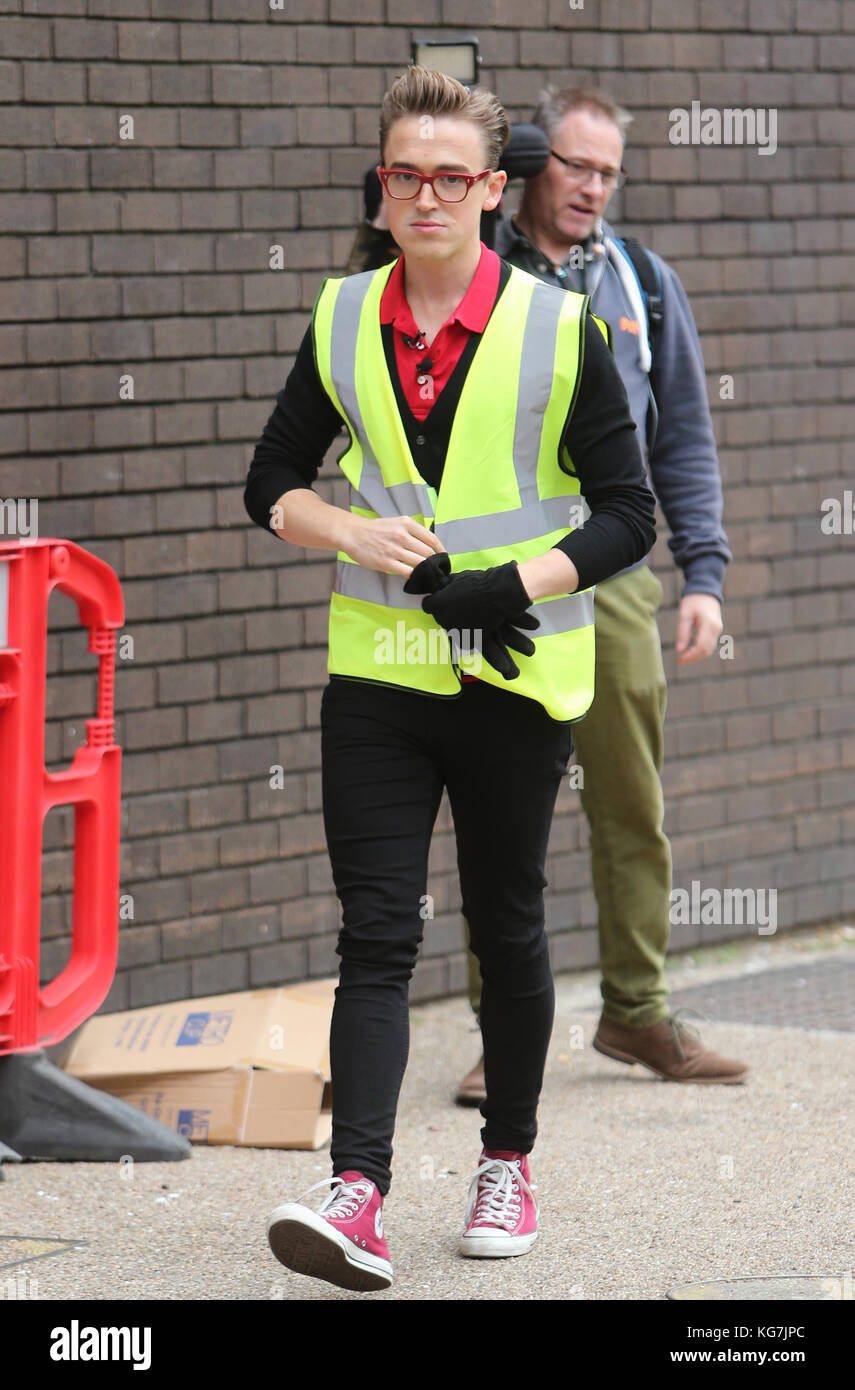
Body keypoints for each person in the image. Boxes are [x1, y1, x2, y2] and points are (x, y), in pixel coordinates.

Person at [244, 66, 656, 1293]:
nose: (424, 196)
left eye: (448, 177)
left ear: (488, 189)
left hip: (513, 676)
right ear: (384, 187)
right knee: (376, 934)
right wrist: (351, 532)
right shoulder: (339, 316)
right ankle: (357, 1192)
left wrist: (515, 580)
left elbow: (629, 515)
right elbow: (270, 487)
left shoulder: (555, 326)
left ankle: (507, 1161)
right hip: (376, 675)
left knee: (507, 923)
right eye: (402, 175)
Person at [347, 87, 748, 1099]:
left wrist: (704, 572)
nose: (593, 188)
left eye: (610, 172)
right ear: (527, 168)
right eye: (572, 165)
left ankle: (638, 1013)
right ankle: (504, 1032)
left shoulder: (641, 281)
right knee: (498, 811)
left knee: (630, 799)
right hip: (493, 585)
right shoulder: (472, 266)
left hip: (609, 574)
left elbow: (682, 438)